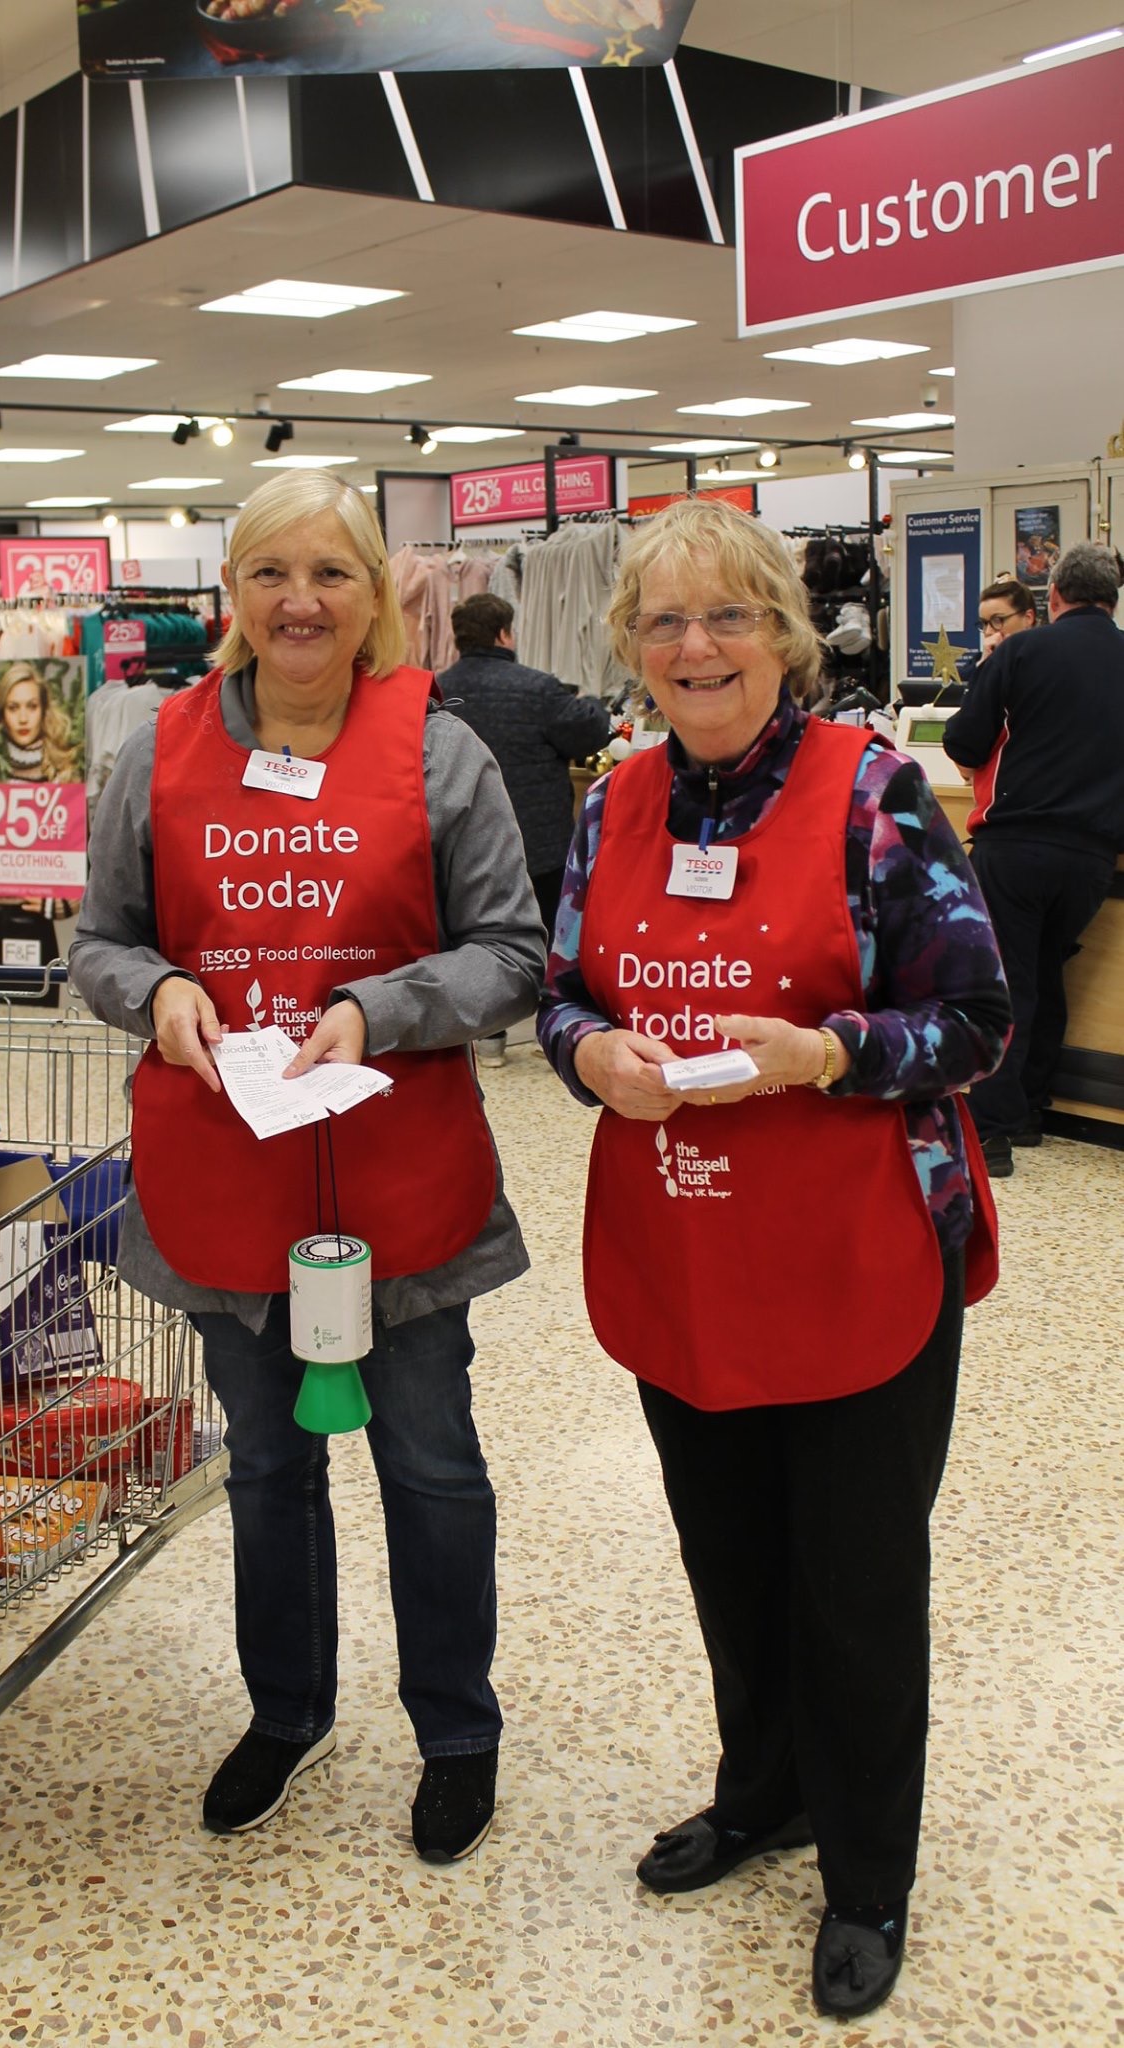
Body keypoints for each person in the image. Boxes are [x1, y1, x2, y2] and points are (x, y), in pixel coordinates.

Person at [537, 498, 1010, 2020]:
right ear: (629, 648)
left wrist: (827, 1048)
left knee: (854, 1582)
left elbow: (977, 1016)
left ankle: (869, 1873)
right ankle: (764, 1796)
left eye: (729, 615)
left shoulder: (872, 794)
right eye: (665, 622)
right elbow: (556, 993)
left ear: (784, 636)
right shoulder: (612, 807)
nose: (697, 646)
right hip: (683, 1244)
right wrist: (589, 1047)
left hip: (857, 1252)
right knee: (730, 1560)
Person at [70, 471, 544, 1866]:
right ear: (231, 598)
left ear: (373, 599)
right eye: (270, 573)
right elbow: (98, 942)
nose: (299, 601)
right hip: (229, 1173)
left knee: (432, 1466)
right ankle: (287, 1710)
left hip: (400, 1180)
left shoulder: (436, 752)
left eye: (330, 574)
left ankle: (456, 1731)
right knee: (268, 1466)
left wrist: (378, 1008)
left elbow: (513, 953)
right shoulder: (154, 753)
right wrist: (153, 993)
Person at [943, 541, 1124, 1175]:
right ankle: (1032, 1109)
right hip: (1095, 855)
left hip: (1016, 844)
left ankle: (992, 1131)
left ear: (1053, 597)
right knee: (1048, 975)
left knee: (1008, 980)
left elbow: (962, 737)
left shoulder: (1023, 651)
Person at [439, 592, 610, 1065]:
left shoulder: (434, 691)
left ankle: (488, 1038)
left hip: (463, 843)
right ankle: (549, 1029)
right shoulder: (537, 688)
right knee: (550, 935)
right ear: (505, 634)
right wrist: (592, 701)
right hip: (538, 838)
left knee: (474, 938)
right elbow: (590, 732)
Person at [0, 662, 79, 985]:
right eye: (13, 707)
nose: (22, 717)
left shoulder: (63, 770)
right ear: (1, 712)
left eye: (31, 706)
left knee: (38, 1008)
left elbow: (85, 852)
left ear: (44, 709)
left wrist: (63, 904)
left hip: (36, 919)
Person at [955, 575, 1037, 688]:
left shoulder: (1046, 659)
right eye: (984, 623)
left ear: (1028, 618)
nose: (988, 632)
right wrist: (984, 664)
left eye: (997, 620)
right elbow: (956, 688)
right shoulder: (982, 659)